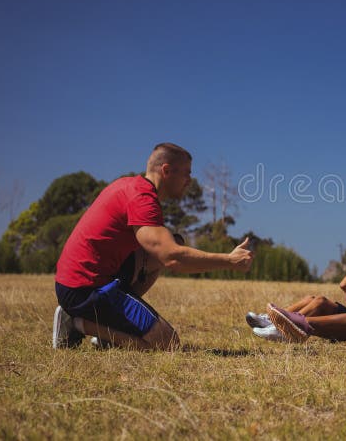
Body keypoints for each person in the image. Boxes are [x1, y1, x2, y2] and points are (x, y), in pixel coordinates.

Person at [53, 143, 254, 351]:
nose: (189, 181)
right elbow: (173, 258)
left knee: (171, 243)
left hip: (86, 279)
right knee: (168, 343)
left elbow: (165, 251)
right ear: (166, 170)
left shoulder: (133, 186)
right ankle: (76, 323)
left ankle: (112, 329)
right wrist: (229, 260)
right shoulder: (142, 199)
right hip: (84, 289)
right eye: (186, 173)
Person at [246, 259, 346, 341]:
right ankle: (272, 321)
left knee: (321, 301)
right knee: (310, 298)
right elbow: (344, 285)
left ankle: (286, 330)